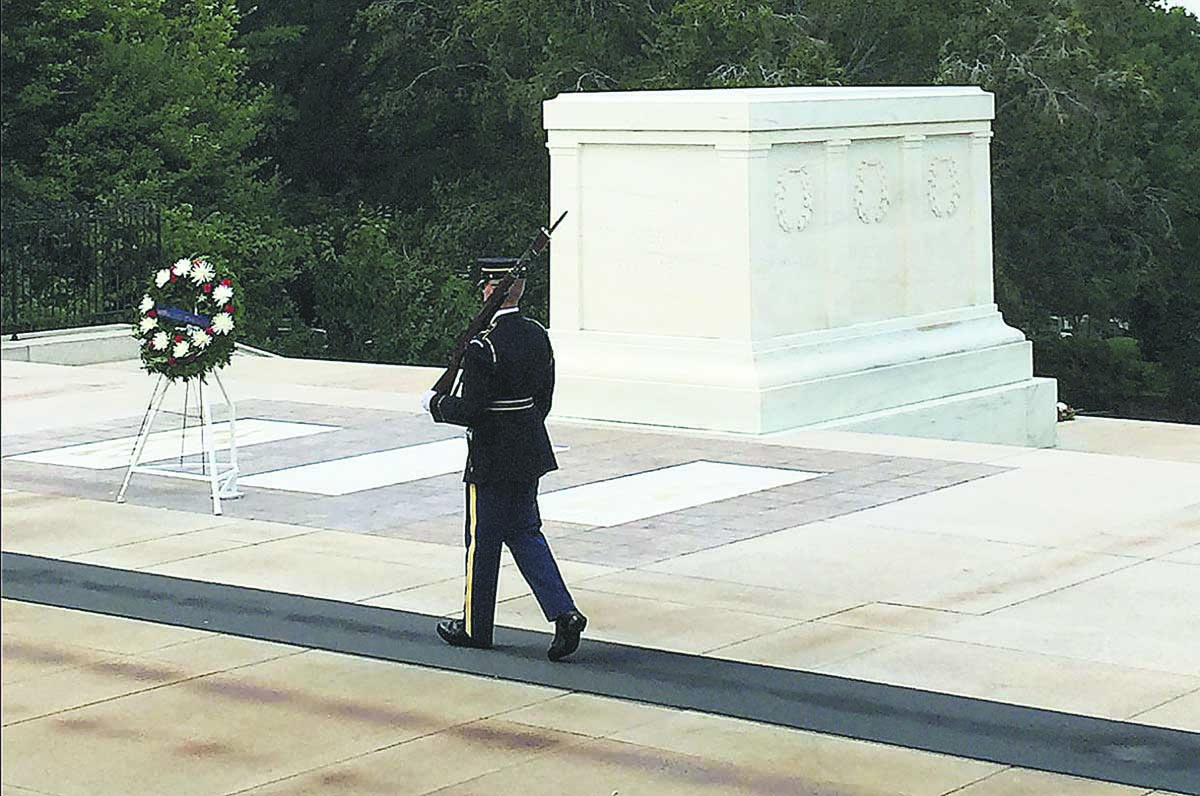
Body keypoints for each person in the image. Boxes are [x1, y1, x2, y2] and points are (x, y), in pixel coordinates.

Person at [420, 257, 587, 662]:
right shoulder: (537, 335)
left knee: (482, 542)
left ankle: (476, 629)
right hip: (530, 451)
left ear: (492, 290)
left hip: (491, 457)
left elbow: (474, 409)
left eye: (485, 285)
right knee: (525, 532)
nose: (482, 291)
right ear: (520, 291)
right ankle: (564, 612)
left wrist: (437, 405)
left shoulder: (484, 345)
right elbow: (544, 397)